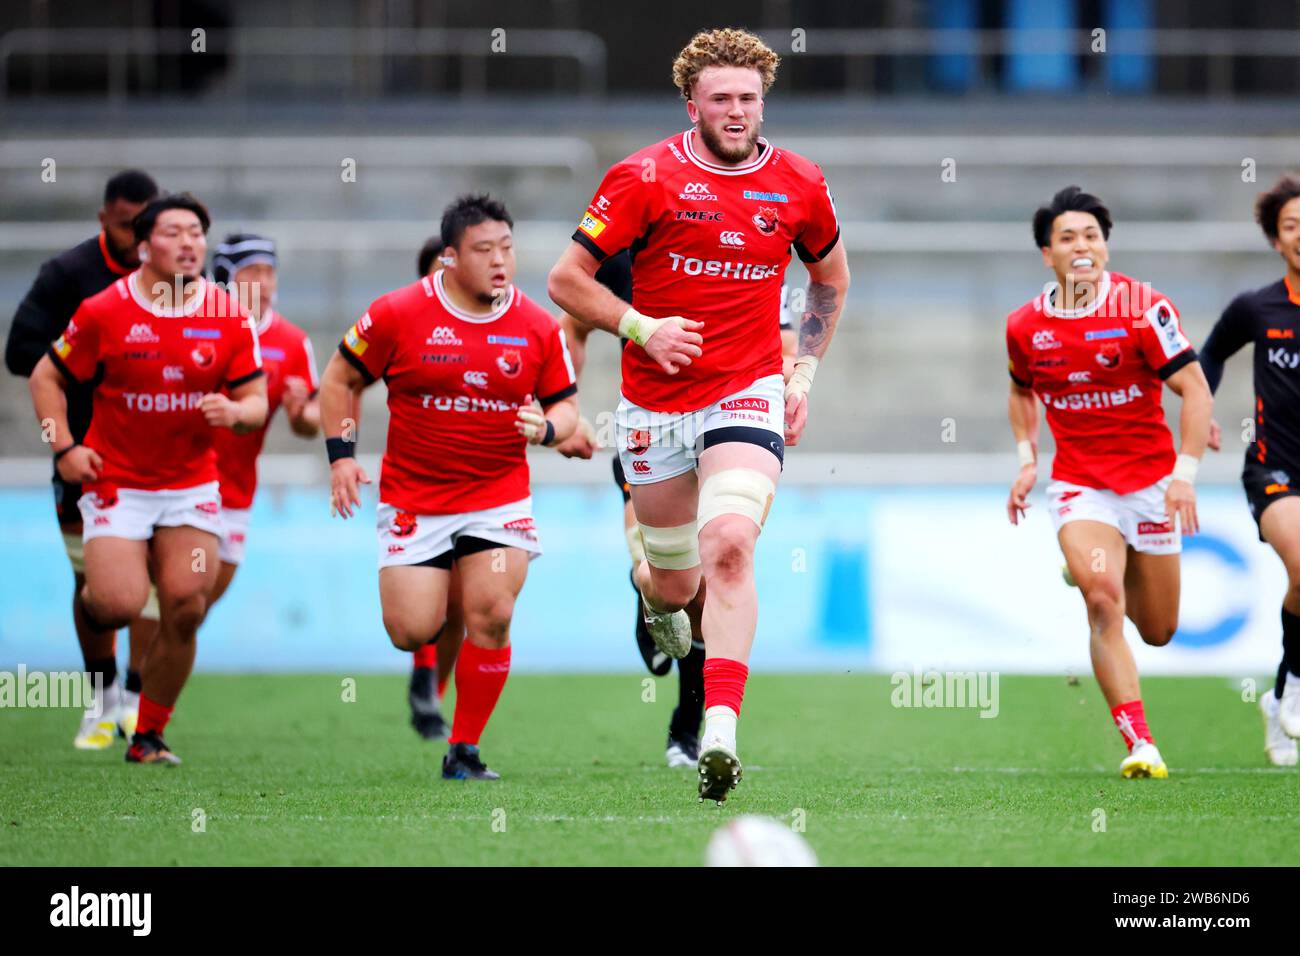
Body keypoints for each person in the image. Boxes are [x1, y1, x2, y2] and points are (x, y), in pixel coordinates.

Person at [548, 28, 850, 803]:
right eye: (722, 99)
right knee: (674, 584)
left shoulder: (800, 183)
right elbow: (565, 279)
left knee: (732, 546)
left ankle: (719, 729)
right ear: (693, 104)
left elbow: (829, 283)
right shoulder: (643, 176)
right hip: (652, 407)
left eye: (749, 98)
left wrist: (800, 372)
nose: (737, 111)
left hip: (745, 391)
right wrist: (643, 329)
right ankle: (648, 595)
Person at [321, 194, 578, 780]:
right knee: (411, 628)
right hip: (414, 498)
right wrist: (341, 457)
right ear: (449, 258)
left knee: (492, 612)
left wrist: (549, 428)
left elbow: (567, 408)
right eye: (484, 250)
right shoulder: (397, 314)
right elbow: (340, 377)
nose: (499, 261)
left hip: (497, 498)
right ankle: (427, 670)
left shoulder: (537, 325)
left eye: (507, 248)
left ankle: (463, 749)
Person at [28, 193, 267, 765]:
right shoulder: (104, 311)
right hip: (119, 486)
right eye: (173, 233)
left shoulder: (229, 313)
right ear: (142, 246)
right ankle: (95, 619)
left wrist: (236, 414)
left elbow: (255, 398)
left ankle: (149, 735)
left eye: (196, 233)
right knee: (117, 602)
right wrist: (62, 447)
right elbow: (45, 377)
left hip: (189, 489)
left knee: (187, 604)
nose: (188, 243)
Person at [1006, 186, 1213, 779]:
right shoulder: (1025, 326)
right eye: (1067, 237)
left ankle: (1094, 564)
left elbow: (1194, 389)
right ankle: (1141, 743)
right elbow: (1022, 390)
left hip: (1150, 484)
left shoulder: (1145, 309)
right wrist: (1027, 458)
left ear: (1105, 245)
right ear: (1048, 252)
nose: (1081, 247)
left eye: (1091, 236)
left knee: (1159, 630)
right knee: (1102, 599)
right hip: (1081, 486)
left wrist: (1185, 475)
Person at [5, 169, 160, 749]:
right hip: (84, 457)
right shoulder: (71, 276)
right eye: (128, 228)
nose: (142, 241)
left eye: (150, 227)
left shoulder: (188, 282)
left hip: (161, 461)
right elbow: (20, 352)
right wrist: (94, 360)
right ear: (103, 221)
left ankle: (138, 696)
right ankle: (103, 692)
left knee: (156, 579)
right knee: (92, 582)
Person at [1200, 174, 1300, 766]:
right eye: (1291, 227)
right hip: (1274, 467)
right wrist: (1203, 409)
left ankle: (1284, 691)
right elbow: (1208, 354)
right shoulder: (1256, 308)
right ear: (1275, 239)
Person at [405, 234, 465, 741]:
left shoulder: (504, 327)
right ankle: (423, 671)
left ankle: (432, 692)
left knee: (465, 607)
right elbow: (349, 377)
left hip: (481, 488)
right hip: (416, 487)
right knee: (426, 604)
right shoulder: (404, 326)